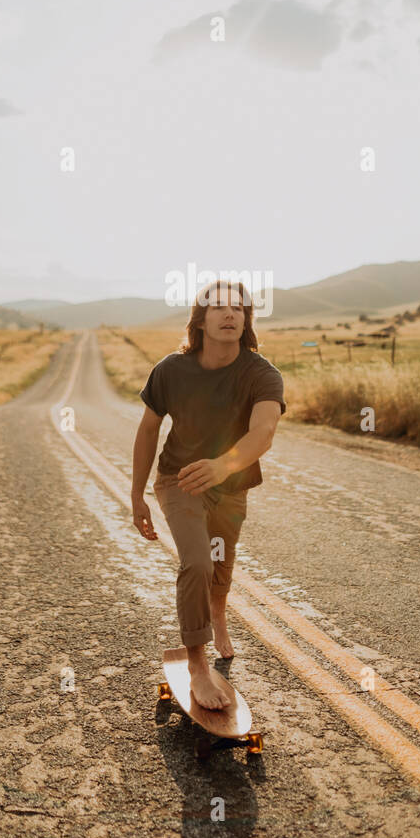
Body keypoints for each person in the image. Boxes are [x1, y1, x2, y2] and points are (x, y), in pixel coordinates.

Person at [131, 280, 285, 709]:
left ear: (247, 320)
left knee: (220, 560)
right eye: (218, 307)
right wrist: (137, 495)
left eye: (239, 308)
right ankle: (198, 665)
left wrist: (223, 466)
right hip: (179, 480)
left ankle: (218, 613)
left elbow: (264, 432)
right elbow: (148, 429)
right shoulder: (170, 370)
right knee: (197, 562)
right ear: (200, 319)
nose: (230, 313)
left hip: (232, 484)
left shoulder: (261, 374)